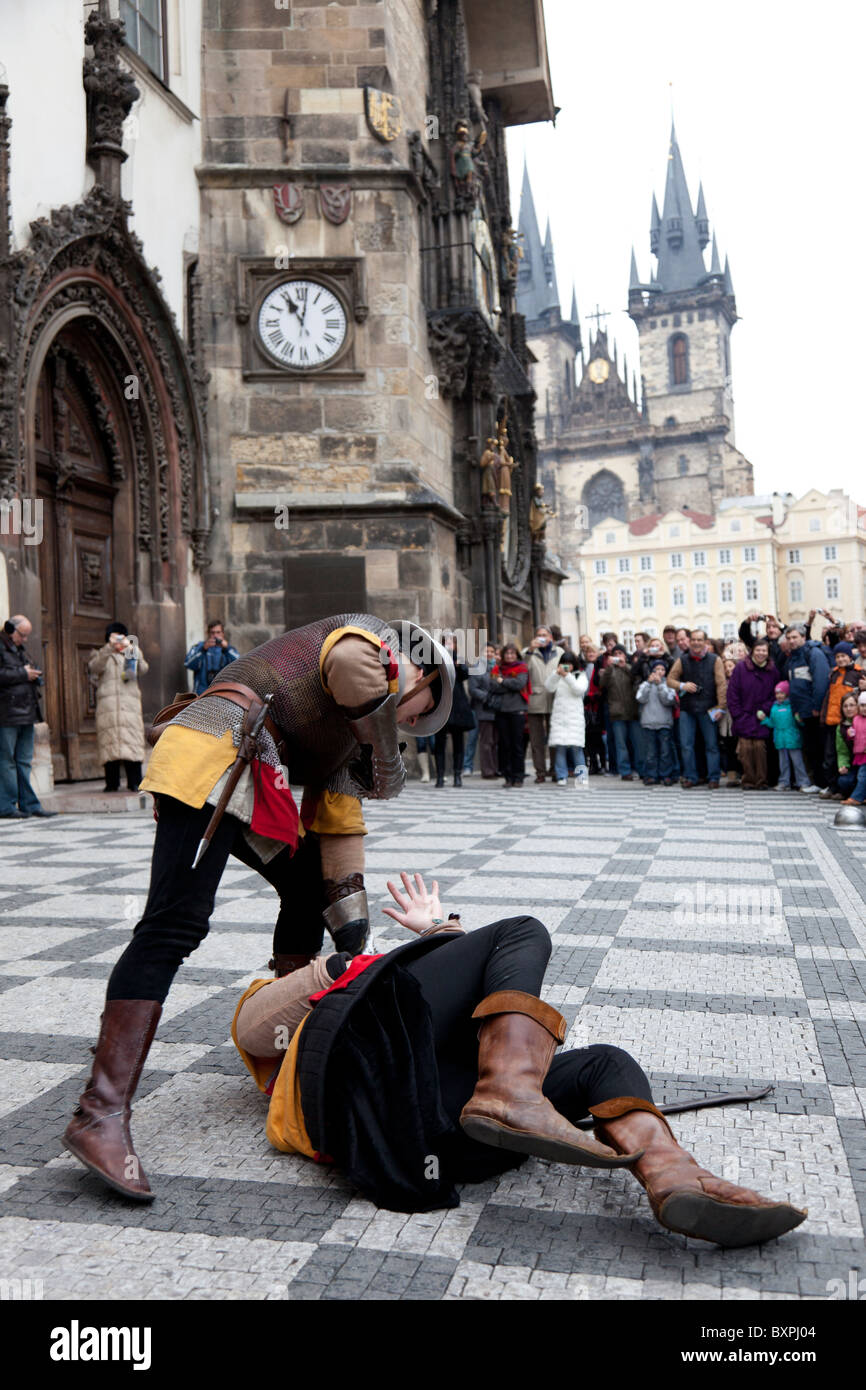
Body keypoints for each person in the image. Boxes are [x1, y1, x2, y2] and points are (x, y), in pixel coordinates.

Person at [63, 614, 455, 1201]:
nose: (411, 724)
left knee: (305, 889)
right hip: (213, 750)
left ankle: (287, 1047)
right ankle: (100, 1112)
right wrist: (381, 729)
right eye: (417, 713)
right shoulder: (365, 640)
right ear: (417, 674)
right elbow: (351, 665)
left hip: (251, 773)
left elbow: (340, 841)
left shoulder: (354, 732)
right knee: (176, 924)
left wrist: (356, 944)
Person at [230, 871, 808, 1245]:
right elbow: (254, 1032)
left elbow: (466, 989)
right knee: (522, 930)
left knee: (607, 1062)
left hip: (448, 1142)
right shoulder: (314, 997)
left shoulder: (420, 1007)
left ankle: (676, 1177)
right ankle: (512, 1093)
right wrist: (348, 963)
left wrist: (439, 934)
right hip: (376, 1095)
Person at [0, 615, 55, 819]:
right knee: (6, 761)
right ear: (9, 629)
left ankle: (29, 804)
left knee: (24, 760)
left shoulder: (20, 650)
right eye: (22, 635)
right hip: (6, 714)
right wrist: (23, 674)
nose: (24, 639)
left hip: (26, 712)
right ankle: (6, 805)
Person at [88, 622, 150, 793]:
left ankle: (135, 781)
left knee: (132, 741)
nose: (117, 641)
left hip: (129, 706)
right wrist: (109, 648)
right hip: (108, 707)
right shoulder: (101, 654)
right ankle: (111, 783)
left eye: (120, 636)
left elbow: (143, 668)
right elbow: (94, 667)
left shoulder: (130, 653)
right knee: (109, 744)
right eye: (113, 637)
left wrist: (131, 648)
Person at [667, 629, 727, 789]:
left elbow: (721, 684)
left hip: (709, 708)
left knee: (712, 745)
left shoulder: (715, 659)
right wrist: (682, 685)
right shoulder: (683, 659)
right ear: (690, 641)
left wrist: (721, 707)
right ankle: (691, 777)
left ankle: (714, 777)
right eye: (693, 639)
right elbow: (670, 680)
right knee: (686, 746)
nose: (696, 643)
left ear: (705, 642)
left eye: (699, 640)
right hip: (688, 709)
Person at [726, 636, 778, 790]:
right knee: (745, 749)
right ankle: (748, 779)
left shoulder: (772, 670)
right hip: (744, 714)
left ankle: (762, 780)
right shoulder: (741, 668)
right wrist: (738, 714)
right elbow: (732, 693)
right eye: (758, 650)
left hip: (762, 715)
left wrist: (766, 709)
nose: (761, 653)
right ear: (752, 651)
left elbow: (776, 694)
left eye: (764, 650)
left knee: (760, 748)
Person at [782, 624, 830, 787]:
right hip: (802, 712)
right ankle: (817, 782)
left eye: (795, 637)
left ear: (803, 637)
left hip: (814, 711)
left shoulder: (814, 653)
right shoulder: (792, 658)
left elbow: (821, 681)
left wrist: (817, 706)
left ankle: (825, 784)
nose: (791, 641)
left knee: (820, 749)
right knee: (811, 749)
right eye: (788, 638)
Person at [758, 681, 818, 793]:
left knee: (797, 762)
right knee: (783, 763)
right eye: (777, 693)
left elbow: (800, 723)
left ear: (787, 694)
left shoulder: (792, 706)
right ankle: (784, 782)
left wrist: (800, 720)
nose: (779, 696)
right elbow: (773, 723)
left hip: (792, 738)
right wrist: (765, 720)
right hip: (780, 739)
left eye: (782, 693)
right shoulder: (774, 707)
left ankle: (803, 782)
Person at [818, 642, 862, 798]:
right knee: (830, 756)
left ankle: (846, 788)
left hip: (849, 722)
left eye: (843, 656)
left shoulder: (858, 673)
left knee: (847, 755)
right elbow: (828, 697)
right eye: (837, 656)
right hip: (832, 721)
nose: (840, 659)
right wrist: (823, 716)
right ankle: (832, 786)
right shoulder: (834, 673)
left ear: (850, 657)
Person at [523, 625, 563, 783]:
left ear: (551, 638)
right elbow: (522, 669)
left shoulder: (560, 653)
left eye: (545, 635)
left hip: (555, 699)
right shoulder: (529, 652)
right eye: (539, 635)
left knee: (555, 738)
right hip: (536, 700)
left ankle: (554, 769)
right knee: (536, 740)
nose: (542, 638)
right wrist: (530, 652)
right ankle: (540, 771)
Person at [544, 650, 589, 787]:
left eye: (569, 664)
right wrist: (556, 674)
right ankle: (561, 776)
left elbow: (579, 690)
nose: (566, 667)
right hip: (560, 717)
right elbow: (549, 687)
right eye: (564, 664)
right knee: (560, 748)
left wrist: (568, 676)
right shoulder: (558, 676)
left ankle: (581, 777)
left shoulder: (580, 676)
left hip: (574, 718)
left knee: (577, 749)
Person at [434, 636, 473, 788]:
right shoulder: (434, 658)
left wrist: (458, 664)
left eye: (451, 642)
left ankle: (457, 775)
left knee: (458, 741)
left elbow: (465, 675)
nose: (448, 645)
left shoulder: (459, 658)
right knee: (439, 742)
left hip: (457, 704)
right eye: (445, 642)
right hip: (440, 702)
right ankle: (440, 776)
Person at [599, 645, 641, 779]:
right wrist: (608, 668)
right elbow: (602, 684)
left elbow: (636, 679)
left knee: (636, 743)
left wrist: (625, 666)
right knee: (620, 744)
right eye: (615, 654)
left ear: (625, 655)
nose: (618, 656)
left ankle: (638, 768)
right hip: (617, 713)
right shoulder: (610, 670)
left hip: (633, 711)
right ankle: (625, 771)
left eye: (620, 653)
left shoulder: (630, 668)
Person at [491, 642, 529, 788]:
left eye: (512, 653)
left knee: (517, 745)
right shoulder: (497, 668)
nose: (509, 656)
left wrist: (502, 681)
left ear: (517, 655)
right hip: (502, 710)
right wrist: (506, 683)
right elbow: (493, 686)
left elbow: (519, 684)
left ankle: (518, 776)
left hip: (517, 710)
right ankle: (508, 776)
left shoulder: (522, 668)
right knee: (504, 745)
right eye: (507, 653)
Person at [635, 657, 676, 785]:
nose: (659, 672)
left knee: (665, 752)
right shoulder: (644, 684)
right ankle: (651, 775)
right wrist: (648, 684)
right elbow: (640, 698)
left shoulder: (668, 684)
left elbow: (669, 700)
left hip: (664, 723)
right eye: (656, 669)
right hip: (648, 723)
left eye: (662, 669)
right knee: (650, 753)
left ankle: (666, 775)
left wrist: (660, 686)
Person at [467, 643, 500, 778]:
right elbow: (473, 689)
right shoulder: (476, 668)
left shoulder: (498, 668)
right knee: (486, 741)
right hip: (484, 708)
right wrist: (487, 697)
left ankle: (496, 768)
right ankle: (487, 771)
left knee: (496, 741)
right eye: (486, 651)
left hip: (498, 709)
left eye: (492, 651)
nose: (489, 654)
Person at [184, 621, 239, 695]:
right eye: (212, 633)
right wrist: (203, 650)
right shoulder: (199, 647)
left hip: (223, 694)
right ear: (208, 634)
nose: (215, 636)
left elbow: (239, 665)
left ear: (223, 633)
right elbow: (188, 664)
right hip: (201, 694)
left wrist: (227, 649)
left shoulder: (229, 649)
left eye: (218, 632)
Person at [839, 692, 866, 805]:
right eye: (862, 705)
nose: (864, 708)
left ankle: (856, 797)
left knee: (862, 776)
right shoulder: (856, 719)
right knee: (861, 776)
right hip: (858, 754)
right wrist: (850, 734)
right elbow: (852, 737)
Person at [835, 693, 861, 802]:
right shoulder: (840, 728)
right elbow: (842, 752)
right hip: (853, 763)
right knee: (844, 781)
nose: (848, 709)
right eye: (845, 706)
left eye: (852, 705)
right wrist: (843, 765)